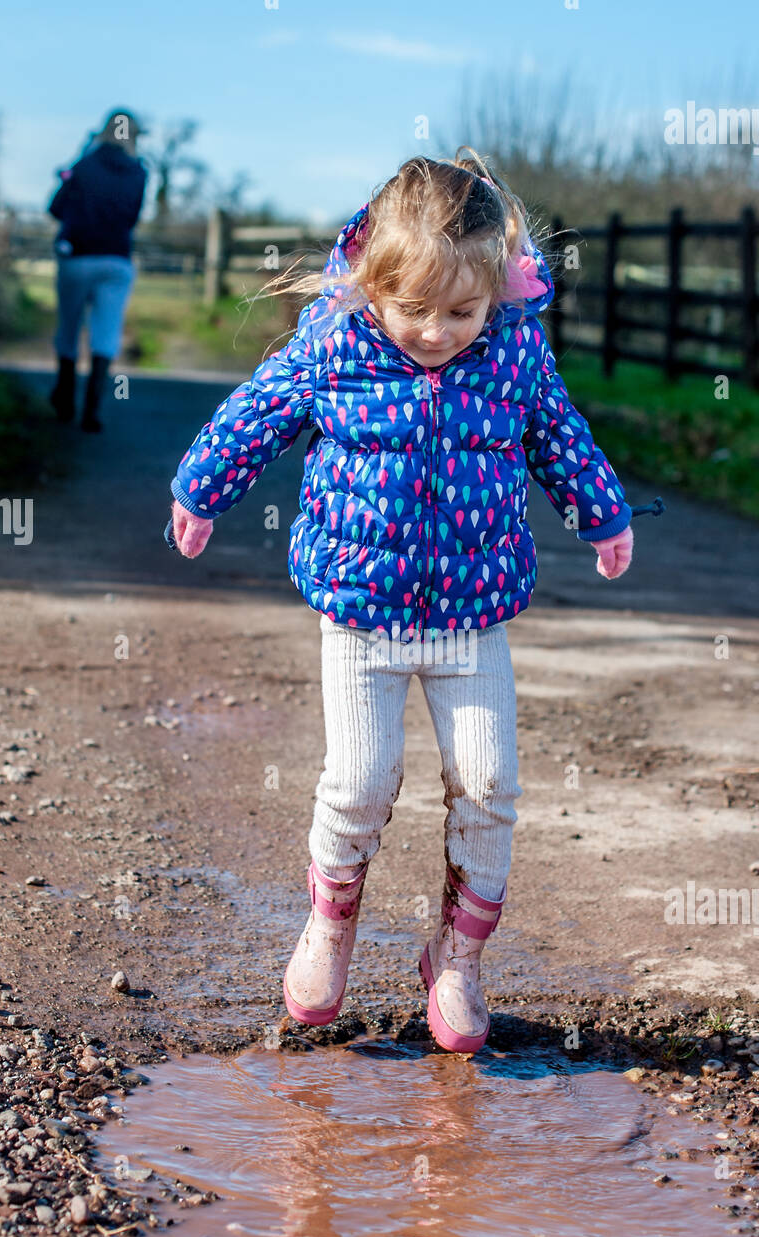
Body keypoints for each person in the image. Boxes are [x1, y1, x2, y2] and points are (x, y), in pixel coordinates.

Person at [166, 148, 634, 1054]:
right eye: (412, 310)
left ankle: (455, 960)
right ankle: (330, 927)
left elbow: (557, 431)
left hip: (472, 613)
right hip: (360, 609)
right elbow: (255, 411)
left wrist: (602, 511)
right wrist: (202, 489)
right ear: (370, 282)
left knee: (490, 783)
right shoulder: (335, 340)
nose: (435, 332)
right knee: (360, 779)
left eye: (461, 311)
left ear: (495, 291)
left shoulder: (514, 348)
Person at [47, 108, 148, 432]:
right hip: (116, 260)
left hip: (77, 256)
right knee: (106, 333)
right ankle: (92, 411)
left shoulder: (84, 164)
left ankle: (64, 399)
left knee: (69, 327)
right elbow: (132, 218)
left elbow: (55, 207)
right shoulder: (139, 172)